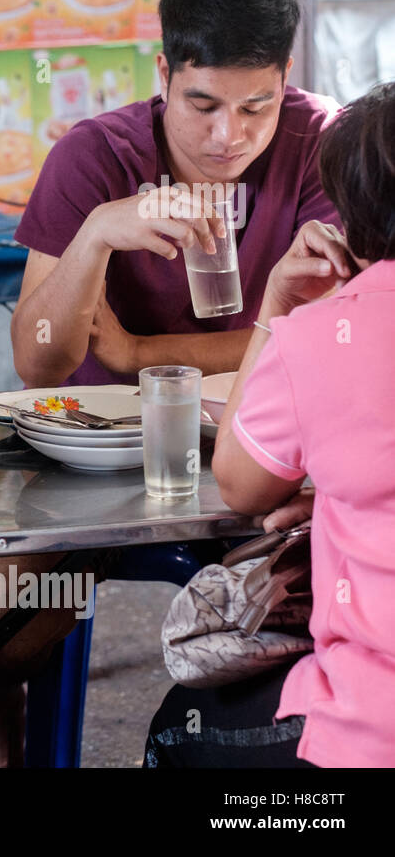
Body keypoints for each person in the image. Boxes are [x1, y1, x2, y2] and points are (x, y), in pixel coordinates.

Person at [0, 0, 342, 767]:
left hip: (265, 463)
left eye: (256, 106)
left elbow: (325, 336)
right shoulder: (94, 158)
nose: (226, 136)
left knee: (322, 609)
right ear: (163, 72)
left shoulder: (323, 149)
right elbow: (40, 363)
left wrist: (137, 350)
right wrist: (97, 234)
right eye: (201, 103)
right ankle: (3, 722)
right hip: (100, 465)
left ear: (287, 79)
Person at [149, 81, 395, 767]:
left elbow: (241, 487)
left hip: (374, 723)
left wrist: (278, 308)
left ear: (351, 212)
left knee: (178, 729)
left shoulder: (320, 336)